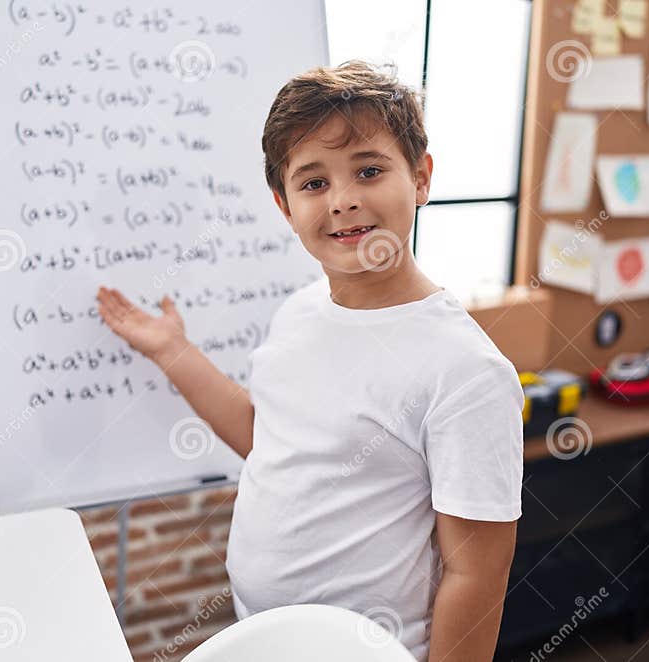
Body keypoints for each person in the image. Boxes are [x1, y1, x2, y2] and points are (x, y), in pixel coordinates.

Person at [96, 59, 524, 662]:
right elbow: (266, 438)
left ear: (422, 178)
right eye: (314, 183)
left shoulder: (466, 370)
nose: (343, 201)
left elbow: (476, 575)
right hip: (267, 638)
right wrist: (174, 351)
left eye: (369, 171)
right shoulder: (297, 314)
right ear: (284, 203)